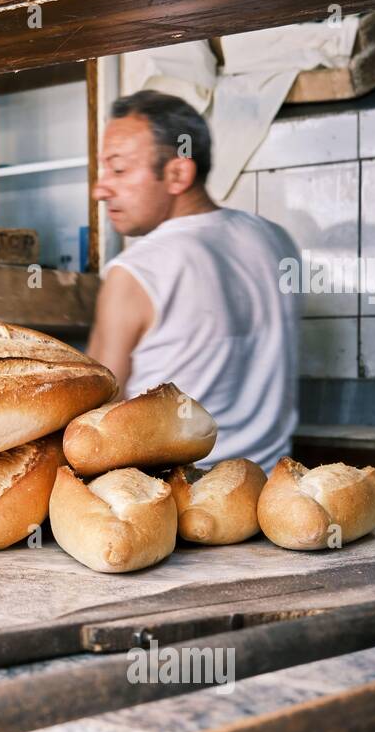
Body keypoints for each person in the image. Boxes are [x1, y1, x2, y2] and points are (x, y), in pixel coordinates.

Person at [86, 89, 300, 470]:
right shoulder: (277, 242)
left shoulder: (136, 271)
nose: (100, 189)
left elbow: (93, 428)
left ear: (178, 173)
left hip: (179, 507)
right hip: (267, 495)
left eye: (118, 169)